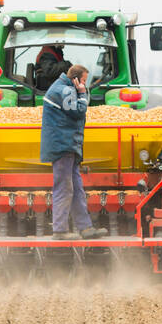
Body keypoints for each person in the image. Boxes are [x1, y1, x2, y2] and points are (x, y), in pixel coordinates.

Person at [41, 64, 102, 240]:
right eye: (83, 80)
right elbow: (78, 112)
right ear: (75, 79)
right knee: (64, 187)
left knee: (76, 188)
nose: (84, 84)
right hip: (62, 145)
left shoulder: (63, 88)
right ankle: (59, 230)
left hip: (68, 146)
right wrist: (82, 93)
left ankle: (85, 228)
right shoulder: (65, 90)